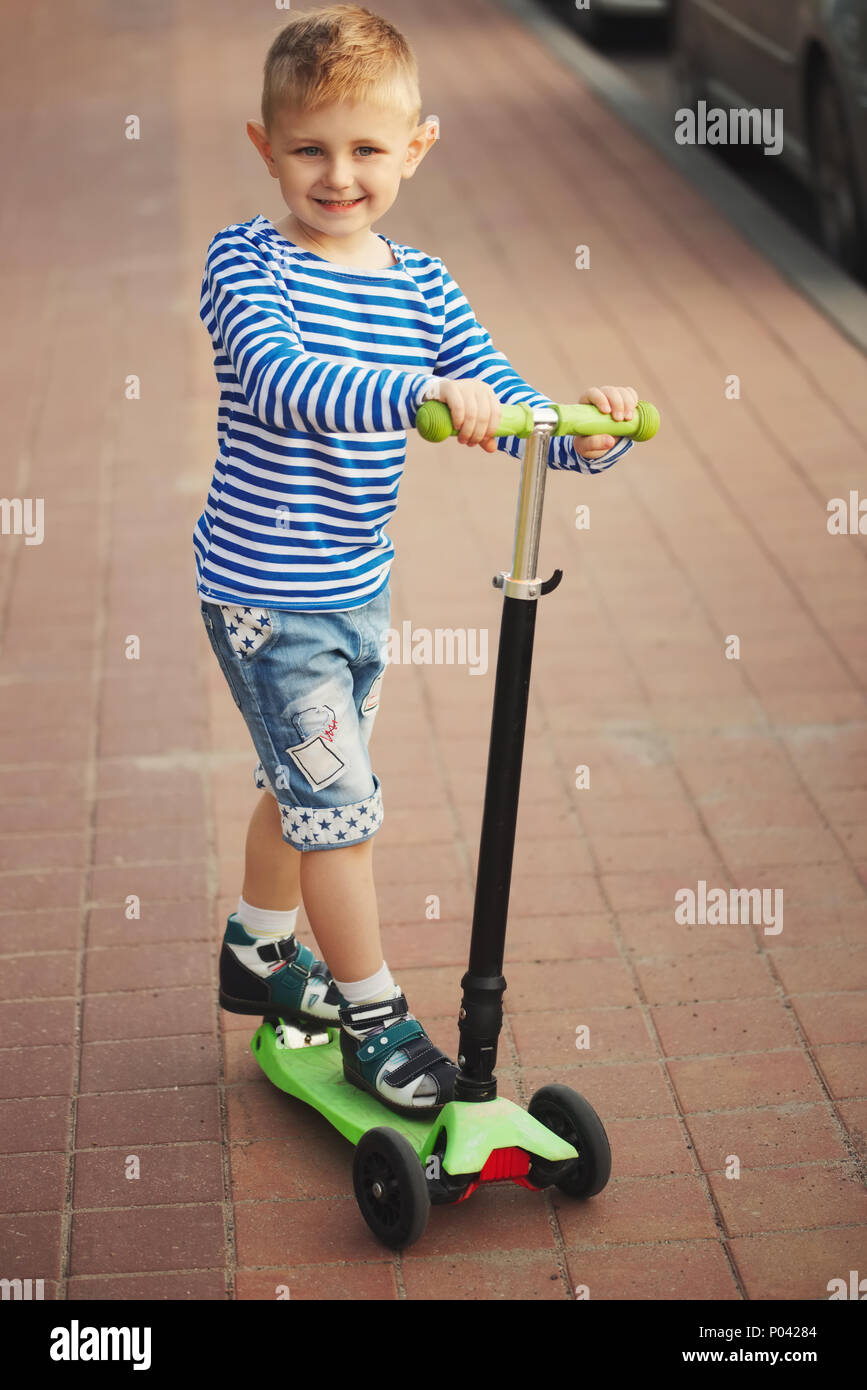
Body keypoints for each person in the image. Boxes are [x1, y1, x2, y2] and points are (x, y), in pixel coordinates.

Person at [195, 4, 639, 1119]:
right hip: (264, 590)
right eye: (309, 148)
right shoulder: (245, 264)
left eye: (366, 149)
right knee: (341, 808)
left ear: (416, 148)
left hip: (355, 590)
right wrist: (418, 394)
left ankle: (256, 951)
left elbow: (498, 393)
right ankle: (372, 1015)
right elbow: (286, 379)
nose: (338, 175)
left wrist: (576, 434)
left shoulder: (424, 284)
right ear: (265, 145)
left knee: (303, 786)